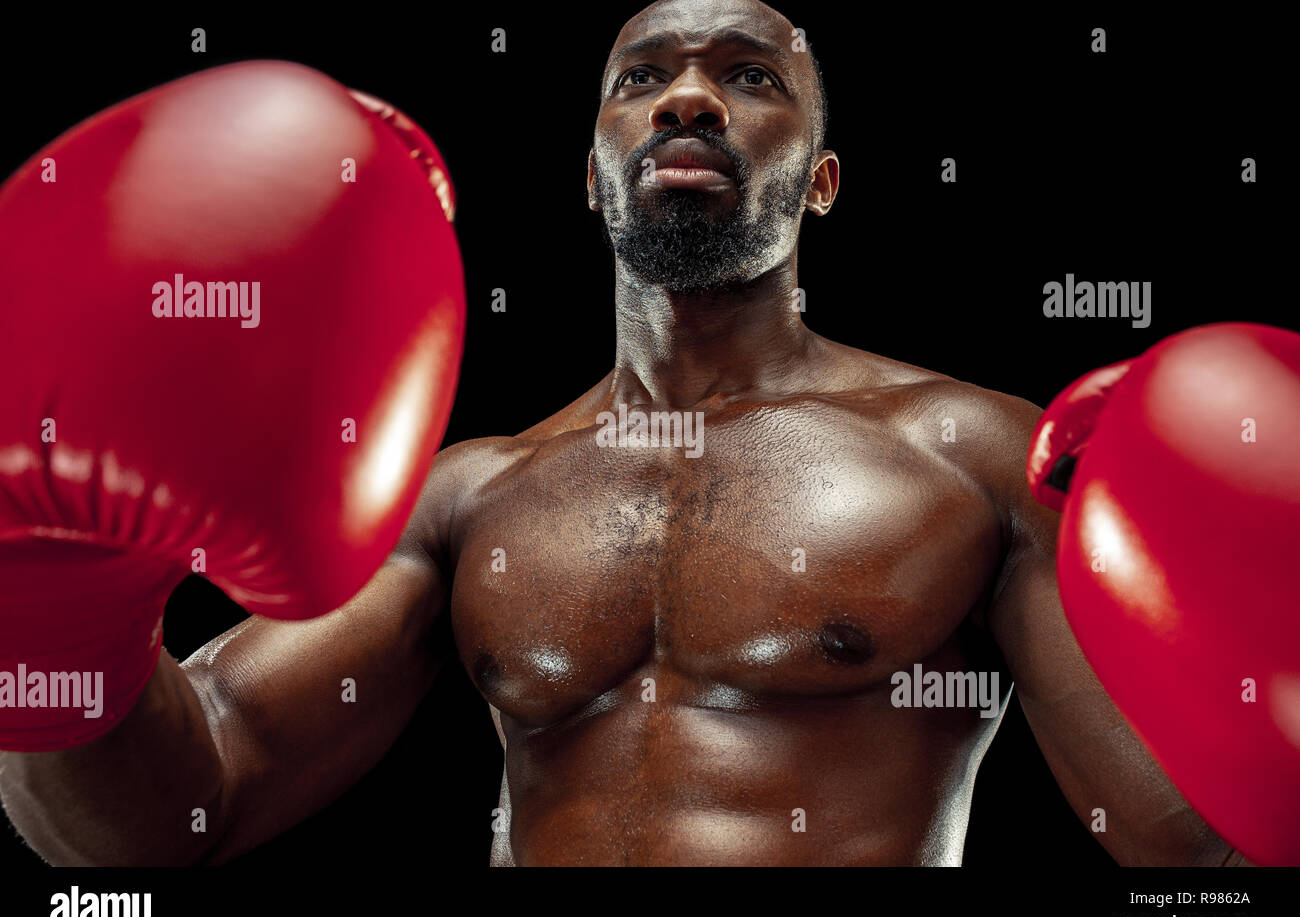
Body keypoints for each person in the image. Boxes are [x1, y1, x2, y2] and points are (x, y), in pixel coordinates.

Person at [0, 0, 1246, 866]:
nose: (687, 97)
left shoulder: (975, 454)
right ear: (590, 171)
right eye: (640, 80)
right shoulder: (469, 495)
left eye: (749, 77)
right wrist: (51, 589)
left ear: (819, 178)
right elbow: (169, 817)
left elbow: (1180, 854)